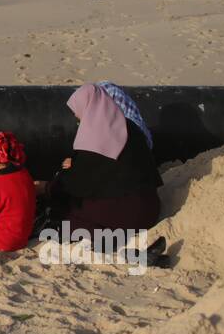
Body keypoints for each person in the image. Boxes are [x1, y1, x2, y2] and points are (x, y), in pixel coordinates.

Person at [45, 82, 163, 232]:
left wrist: (47, 188)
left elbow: (76, 185)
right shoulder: (131, 127)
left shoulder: (95, 137)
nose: (77, 116)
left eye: (79, 111)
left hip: (130, 218)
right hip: (151, 210)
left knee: (65, 211)